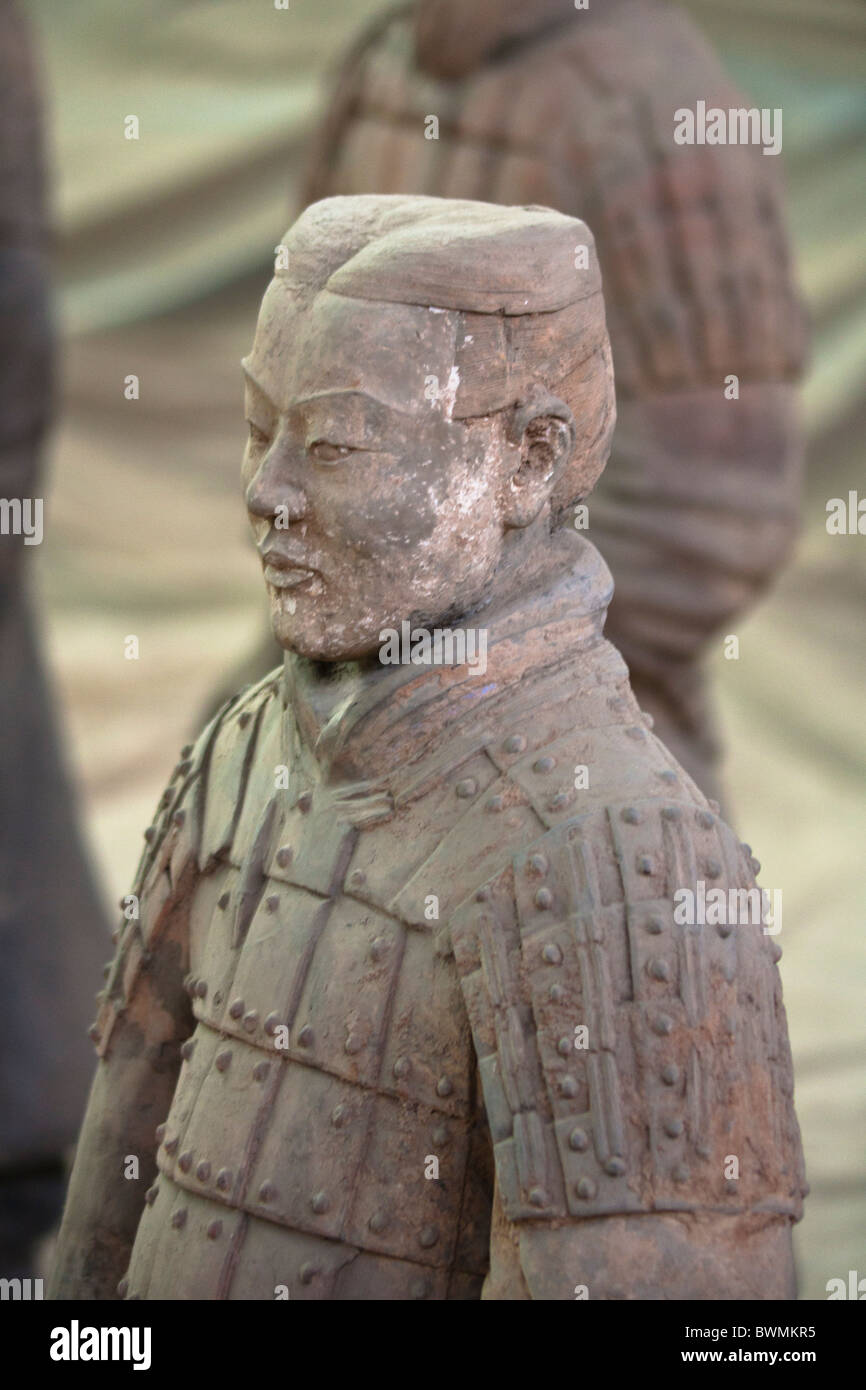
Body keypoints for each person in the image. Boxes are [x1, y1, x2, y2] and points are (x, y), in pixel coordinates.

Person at [49, 196, 805, 1300]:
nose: (268, 494)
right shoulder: (247, 742)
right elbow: (105, 1220)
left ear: (527, 461)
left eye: (337, 443)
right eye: (259, 428)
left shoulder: (623, 864)